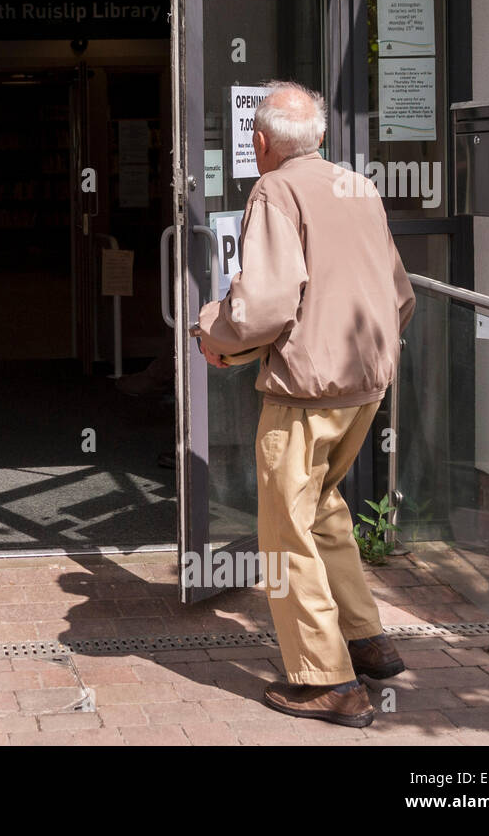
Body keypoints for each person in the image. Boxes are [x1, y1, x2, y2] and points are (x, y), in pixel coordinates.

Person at [191, 80, 416, 728]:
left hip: (309, 388)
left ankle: (329, 681)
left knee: (285, 528)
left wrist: (216, 334)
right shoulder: (360, 187)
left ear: (260, 143)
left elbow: (264, 303)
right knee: (321, 506)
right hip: (368, 381)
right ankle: (366, 636)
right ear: (317, 137)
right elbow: (399, 292)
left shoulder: (275, 190)